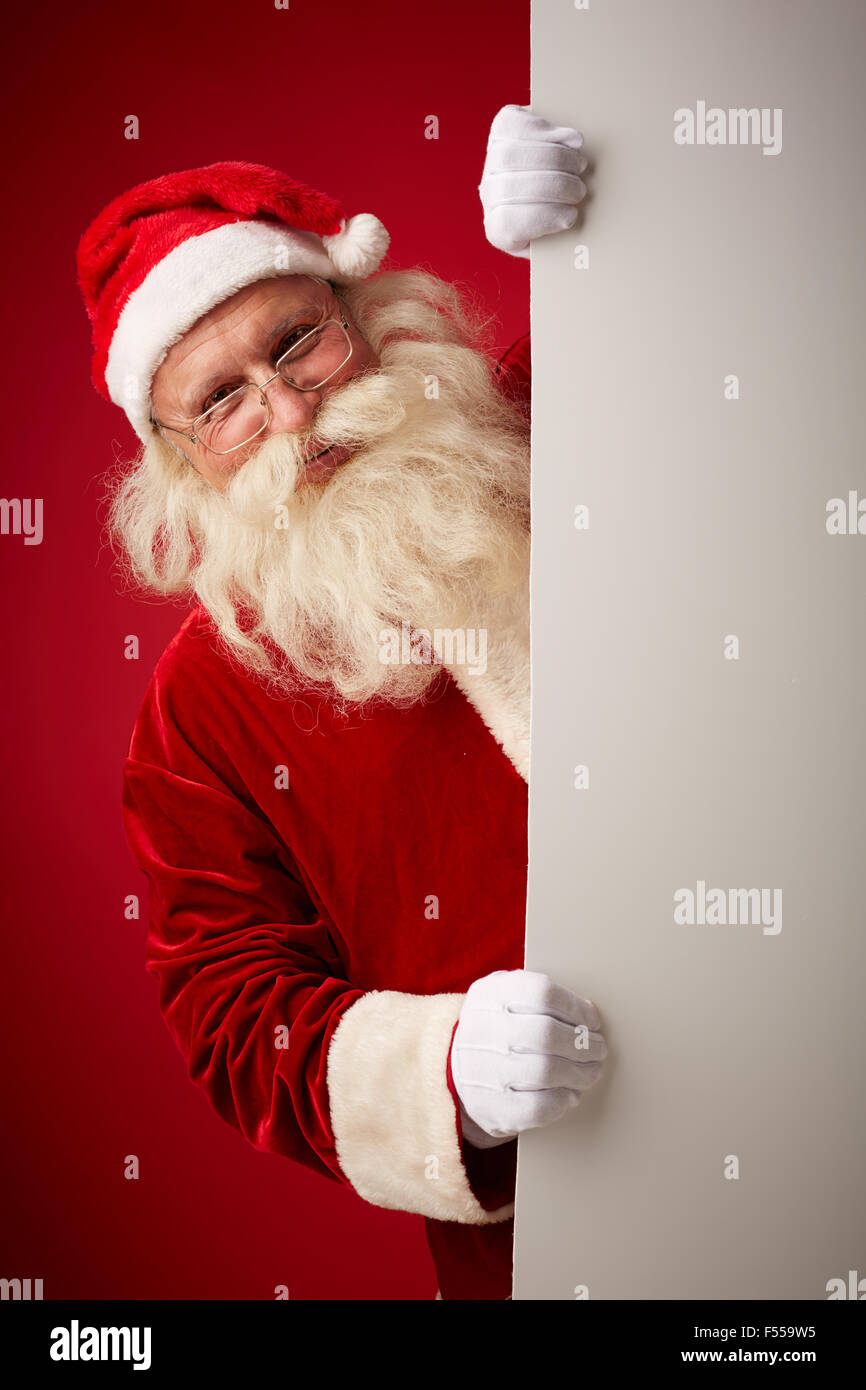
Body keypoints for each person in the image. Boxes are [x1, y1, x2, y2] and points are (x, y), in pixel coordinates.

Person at [77, 104, 607, 1301]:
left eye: (299, 342)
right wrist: (445, 1072)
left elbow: (716, 354)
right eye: (220, 401)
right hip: (549, 1232)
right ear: (173, 457)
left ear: (364, 317)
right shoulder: (197, 711)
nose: (290, 412)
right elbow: (228, 1005)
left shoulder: (545, 416)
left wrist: (598, 231)